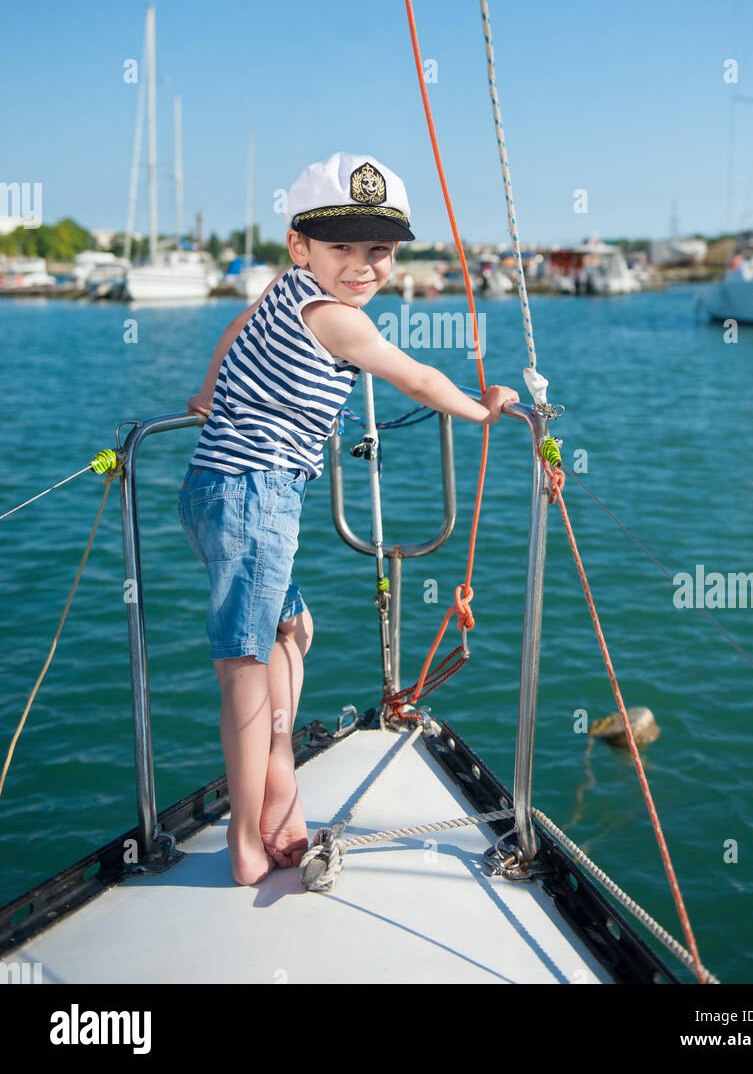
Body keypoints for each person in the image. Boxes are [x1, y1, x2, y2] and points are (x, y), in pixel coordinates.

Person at [177, 152, 519, 885]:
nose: (362, 266)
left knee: (289, 630)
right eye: (342, 247)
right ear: (300, 245)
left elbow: (239, 326)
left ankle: (276, 768)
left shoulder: (286, 290)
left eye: (378, 250)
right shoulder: (335, 319)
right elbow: (417, 376)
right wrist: (482, 409)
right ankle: (247, 835)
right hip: (255, 493)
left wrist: (209, 390)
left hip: (217, 489)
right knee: (244, 661)